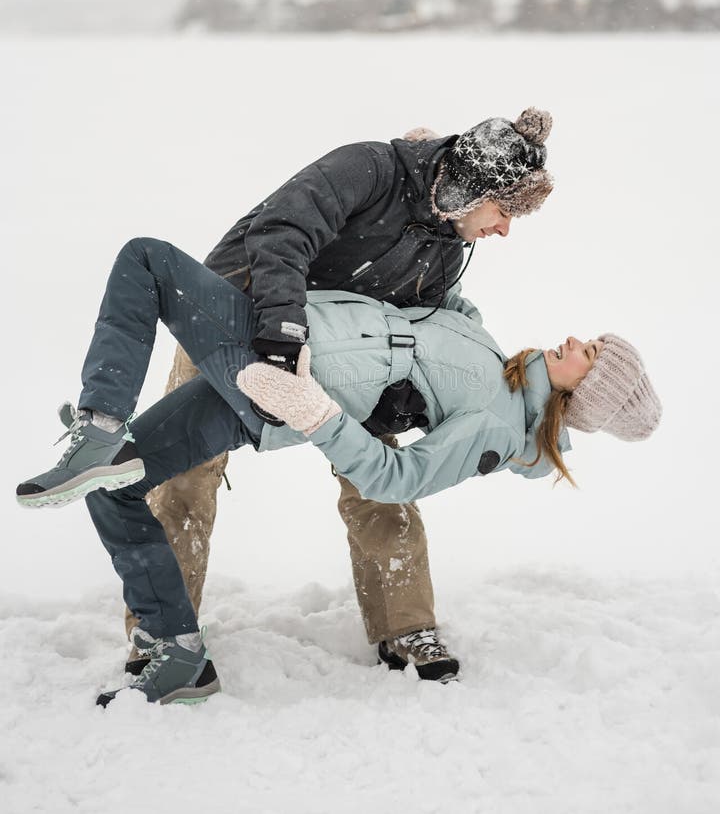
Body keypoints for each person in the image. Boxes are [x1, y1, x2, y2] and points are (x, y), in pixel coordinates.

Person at [16, 236, 661, 706]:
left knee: (145, 259)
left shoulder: (496, 427)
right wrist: (439, 217)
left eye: (589, 353)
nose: (574, 340)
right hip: (282, 341)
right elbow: (441, 290)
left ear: (583, 394)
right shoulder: (494, 353)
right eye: (589, 340)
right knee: (113, 480)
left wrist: (316, 413)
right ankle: (175, 648)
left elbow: (399, 478)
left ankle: (99, 425)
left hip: (284, 367)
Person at [124, 108, 556, 683]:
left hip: (350, 359)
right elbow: (282, 231)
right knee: (185, 474)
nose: (504, 230)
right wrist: (283, 331)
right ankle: (162, 632)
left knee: (377, 480)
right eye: (504, 211)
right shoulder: (367, 167)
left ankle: (407, 627)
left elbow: (427, 319)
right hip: (236, 323)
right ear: (469, 190)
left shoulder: (446, 249)